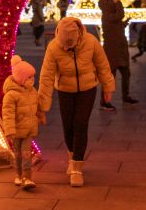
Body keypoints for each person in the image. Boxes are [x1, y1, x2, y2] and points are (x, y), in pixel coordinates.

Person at [39, 16, 115, 187]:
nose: (67, 47)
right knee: (68, 126)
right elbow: (46, 77)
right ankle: (72, 156)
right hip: (65, 90)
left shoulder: (91, 42)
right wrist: (42, 106)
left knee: (80, 124)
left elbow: (103, 65)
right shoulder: (53, 47)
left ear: (78, 36)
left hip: (88, 89)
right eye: (64, 44)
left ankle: (77, 169)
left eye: (70, 44)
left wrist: (108, 87)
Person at [1, 55, 45, 189]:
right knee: (18, 154)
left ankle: (27, 177)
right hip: (16, 131)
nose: (32, 80)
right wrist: (9, 130)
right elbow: (7, 114)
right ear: (21, 79)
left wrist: (40, 115)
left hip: (28, 130)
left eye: (33, 77)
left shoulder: (32, 92)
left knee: (26, 154)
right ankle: (19, 175)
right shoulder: (11, 95)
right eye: (29, 78)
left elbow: (37, 105)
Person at [98, 0, 137, 108]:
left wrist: (124, 24)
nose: (114, 3)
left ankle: (126, 96)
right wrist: (119, 2)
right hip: (112, 52)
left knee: (126, 74)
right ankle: (104, 101)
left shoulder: (111, 17)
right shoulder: (107, 16)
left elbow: (116, 26)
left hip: (120, 50)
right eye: (112, 2)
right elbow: (120, 15)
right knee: (110, 78)